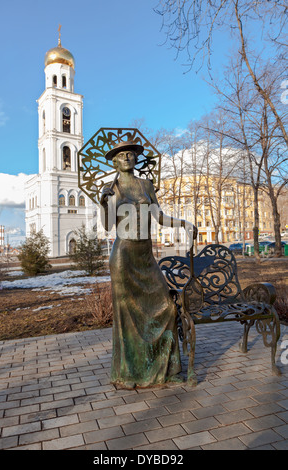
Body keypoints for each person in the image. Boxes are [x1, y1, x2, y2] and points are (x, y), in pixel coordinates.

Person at [100, 141, 197, 389]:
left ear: (135, 160)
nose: (127, 157)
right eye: (122, 155)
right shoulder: (110, 187)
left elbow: (160, 216)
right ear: (115, 161)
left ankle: (165, 368)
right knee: (127, 316)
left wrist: (183, 223)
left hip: (145, 255)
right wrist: (104, 203)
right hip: (123, 256)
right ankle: (130, 373)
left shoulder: (145, 185)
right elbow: (108, 225)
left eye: (131, 154)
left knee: (166, 307)